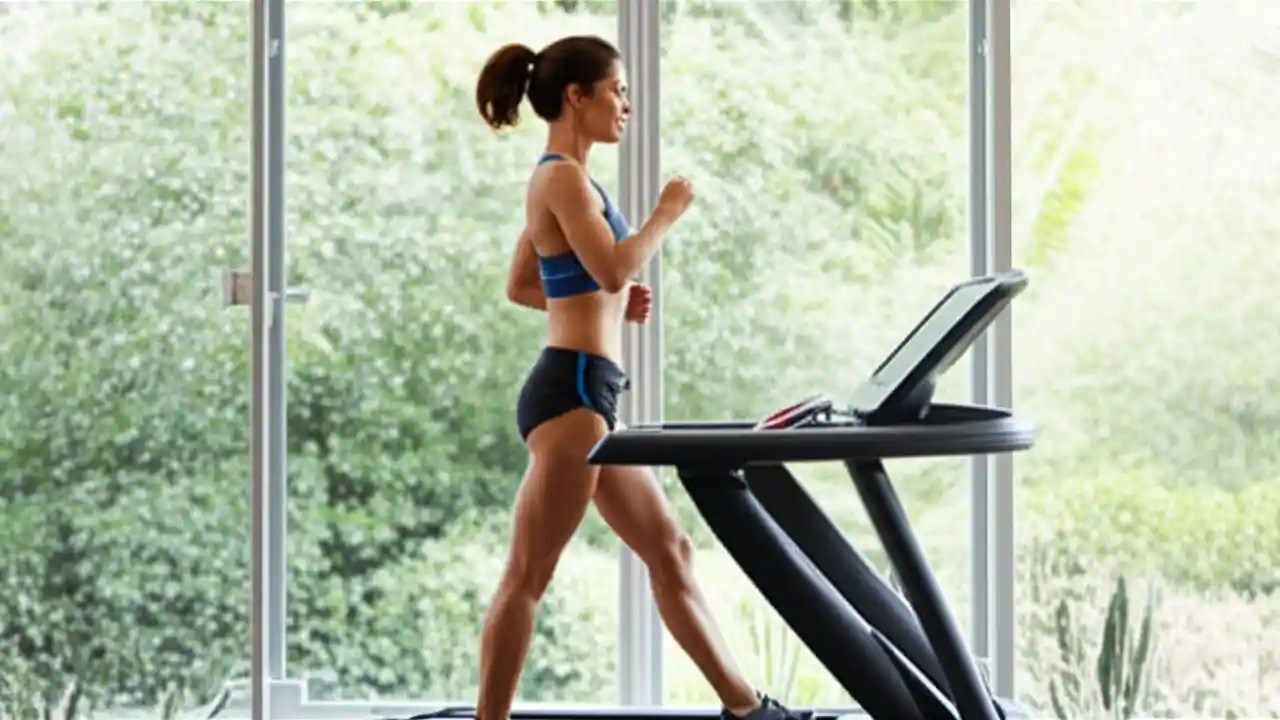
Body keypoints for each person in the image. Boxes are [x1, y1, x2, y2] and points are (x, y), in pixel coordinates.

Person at [472, 35, 810, 720]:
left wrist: (608, 303)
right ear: (577, 96)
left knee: (670, 548)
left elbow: (525, 284)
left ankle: (747, 709)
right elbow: (613, 266)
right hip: (570, 394)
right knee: (528, 574)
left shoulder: (569, 181)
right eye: (618, 90)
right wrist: (664, 215)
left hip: (590, 393)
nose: (627, 104)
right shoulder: (560, 177)